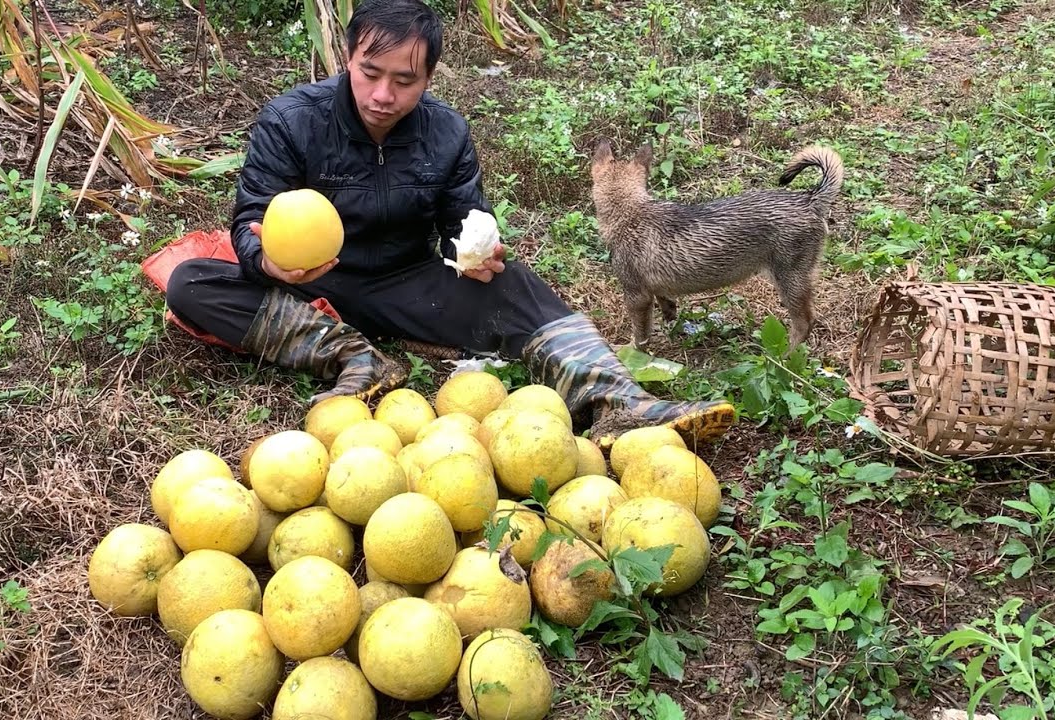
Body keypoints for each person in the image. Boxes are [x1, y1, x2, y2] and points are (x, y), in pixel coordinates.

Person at [165, 0, 735, 446]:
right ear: (347, 58)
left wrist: (478, 250)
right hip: (312, 287)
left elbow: (464, 220)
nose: (383, 95)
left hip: (409, 283)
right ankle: (351, 356)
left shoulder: (446, 132)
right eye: (370, 73)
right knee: (192, 282)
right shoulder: (291, 121)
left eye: (405, 81)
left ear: (430, 75)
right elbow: (251, 216)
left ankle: (619, 403)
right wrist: (266, 260)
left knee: (515, 283)